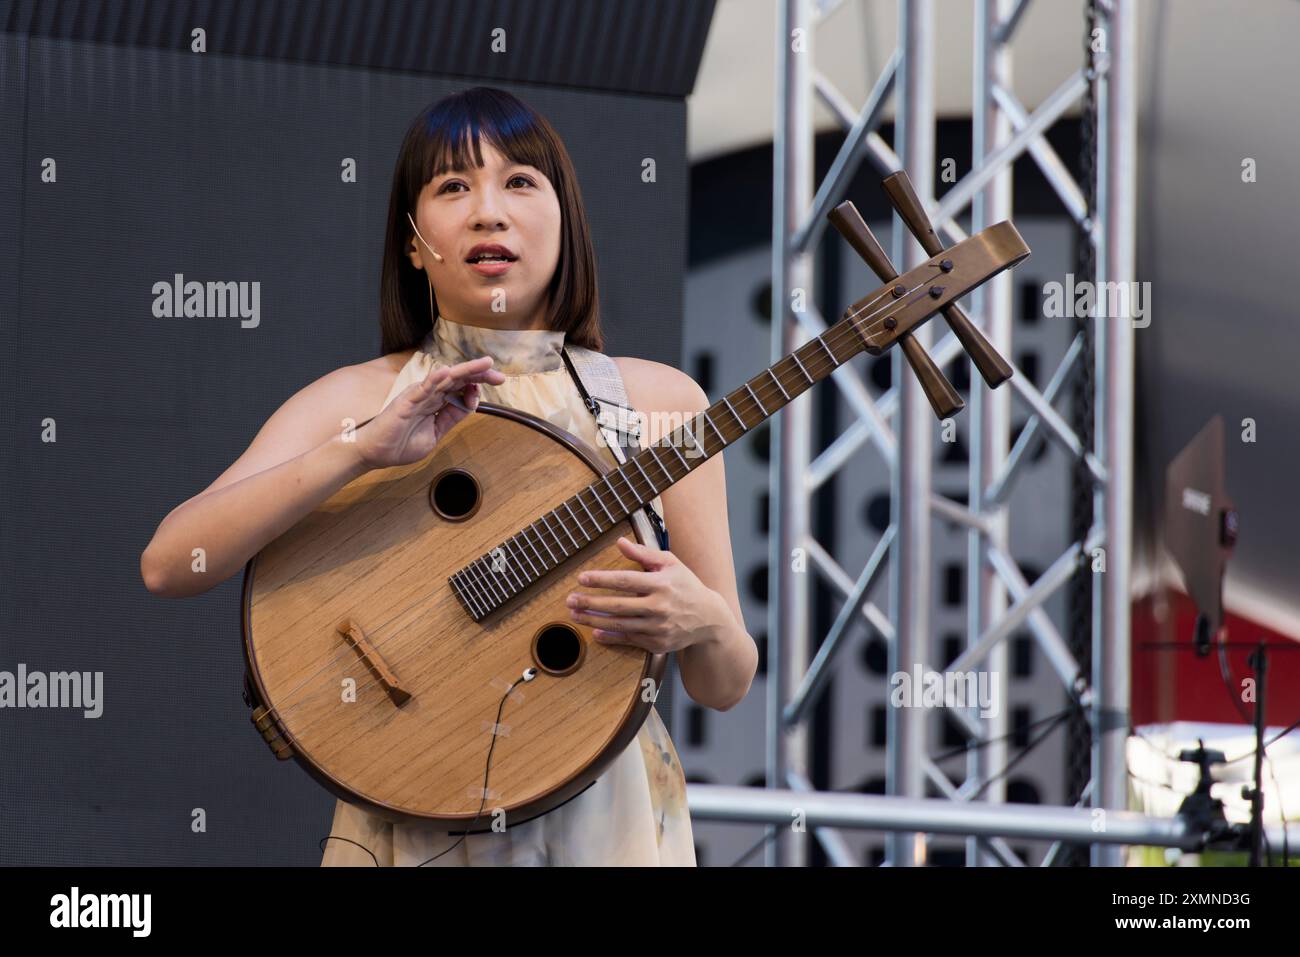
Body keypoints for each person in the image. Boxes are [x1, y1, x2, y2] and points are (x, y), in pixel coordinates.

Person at [140, 86, 757, 866]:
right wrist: (358, 449)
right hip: (411, 811)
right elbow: (170, 561)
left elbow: (725, 682)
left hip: (609, 822)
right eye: (453, 186)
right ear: (410, 242)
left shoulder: (660, 401)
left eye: (520, 183)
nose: (487, 212)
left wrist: (699, 619)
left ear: (565, 223)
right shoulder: (362, 398)